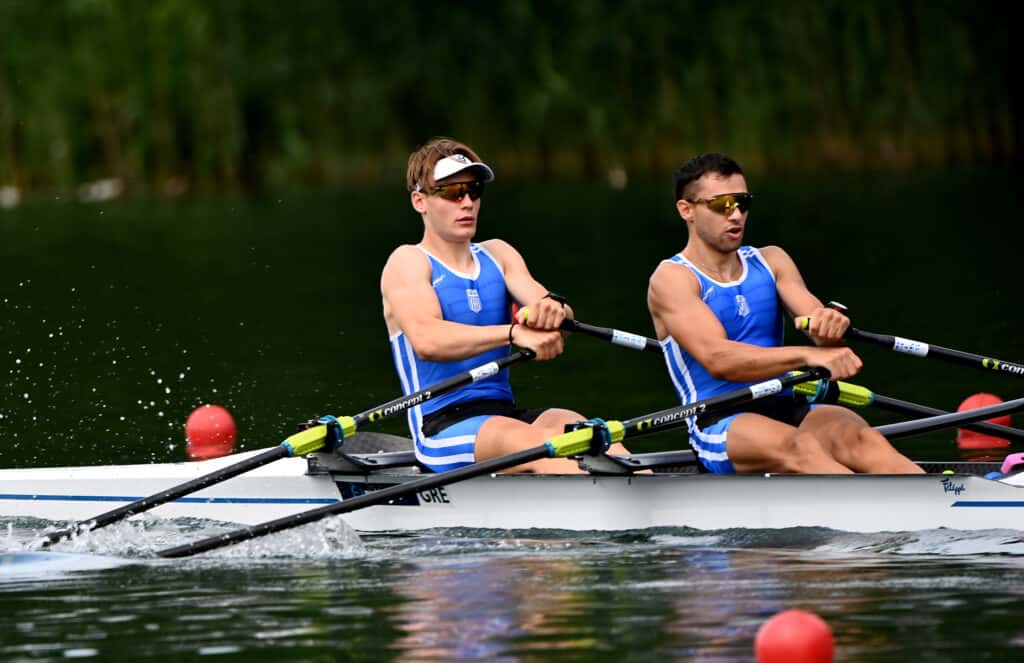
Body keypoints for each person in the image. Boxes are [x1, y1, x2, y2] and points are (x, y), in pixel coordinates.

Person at [647, 152, 923, 474]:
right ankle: (879, 515)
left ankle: (940, 505)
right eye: (721, 205)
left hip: (786, 404)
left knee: (864, 439)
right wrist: (807, 355)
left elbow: (821, 335)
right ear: (687, 210)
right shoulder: (672, 279)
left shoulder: (772, 260)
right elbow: (718, 359)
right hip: (719, 419)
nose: (735, 214)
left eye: (742, 202)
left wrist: (830, 326)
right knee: (802, 446)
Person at [381, 137, 624, 473]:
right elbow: (428, 341)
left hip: (505, 416)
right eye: (453, 193)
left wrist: (554, 311)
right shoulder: (408, 262)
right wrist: (514, 333)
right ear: (419, 200)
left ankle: (647, 490)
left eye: (474, 190)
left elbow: (552, 307)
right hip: (442, 429)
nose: (466, 203)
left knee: (586, 430)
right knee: (539, 447)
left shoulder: (499, 254)